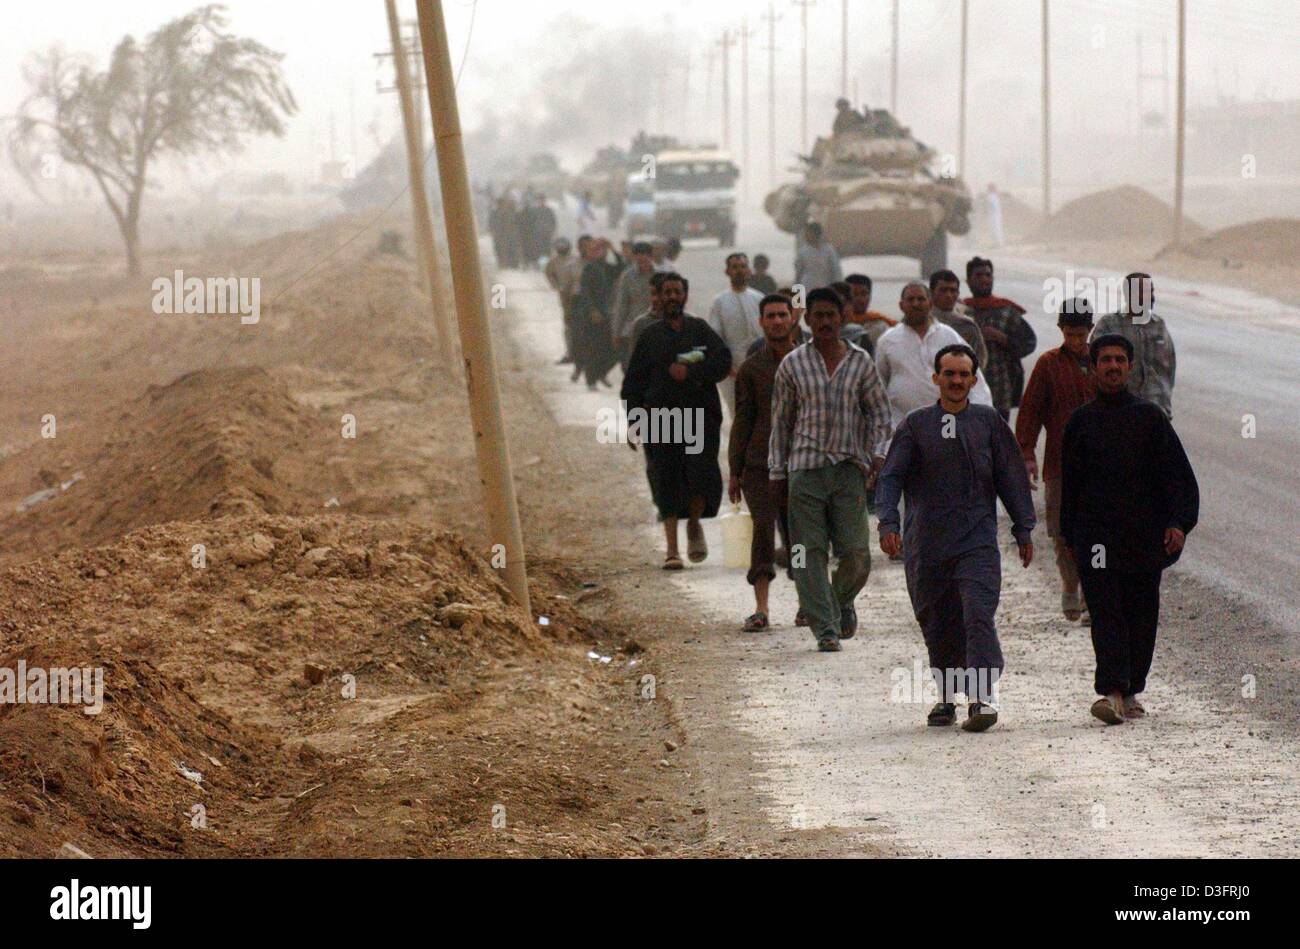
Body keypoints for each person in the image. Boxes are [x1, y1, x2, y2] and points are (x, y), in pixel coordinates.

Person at [876, 344, 1035, 733]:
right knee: (938, 618)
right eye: (950, 374)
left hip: (976, 541)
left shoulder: (988, 423)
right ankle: (947, 696)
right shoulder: (915, 425)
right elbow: (891, 476)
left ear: (974, 379)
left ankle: (980, 697)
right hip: (926, 543)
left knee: (978, 612)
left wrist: (1023, 527)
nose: (957, 381)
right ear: (936, 379)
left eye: (964, 374)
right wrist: (887, 523)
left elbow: (1011, 478)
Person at [1060, 334, 1198, 726]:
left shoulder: (1150, 419)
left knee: (1140, 613)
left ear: (1130, 366)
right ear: (1094, 366)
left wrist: (1178, 522)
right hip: (1096, 540)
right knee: (1105, 613)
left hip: (1143, 538)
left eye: (1120, 360)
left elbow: (1178, 478)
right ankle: (1112, 691)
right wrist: (1069, 536)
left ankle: (1132, 687)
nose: (1114, 366)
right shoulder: (1081, 423)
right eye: (1106, 360)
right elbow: (1070, 485)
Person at [769, 288, 892, 653]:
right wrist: (777, 474)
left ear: (843, 318)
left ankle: (838, 603)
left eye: (831, 315)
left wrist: (879, 455)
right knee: (808, 554)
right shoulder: (792, 364)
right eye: (817, 315)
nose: (824, 322)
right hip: (804, 471)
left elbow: (882, 416)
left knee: (857, 555)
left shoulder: (860, 363)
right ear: (807, 320)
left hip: (848, 471)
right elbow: (782, 424)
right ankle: (825, 628)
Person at [621, 273, 732, 570]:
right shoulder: (649, 336)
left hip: (700, 418)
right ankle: (672, 550)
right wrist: (633, 420)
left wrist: (693, 373)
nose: (672, 297)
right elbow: (633, 381)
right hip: (661, 419)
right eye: (666, 292)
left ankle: (694, 523)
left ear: (684, 295)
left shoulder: (700, 330)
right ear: (658, 296)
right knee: (665, 479)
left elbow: (723, 361)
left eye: (677, 291)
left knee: (701, 475)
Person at [1015, 299, 1098, 622]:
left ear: (1090, 330)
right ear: (1061, 330)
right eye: (1069, 334)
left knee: (1096, 533)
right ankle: (1069, 584)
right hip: (1059, 465)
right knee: (1062, 531)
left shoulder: (1102, 361)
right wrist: (1026, 455)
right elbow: (1031, 412)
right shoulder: (1048, 365)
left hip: (1100, 468)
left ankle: (1093, 597)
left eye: (1081, 334)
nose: (1076, 341)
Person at [729, 295, 799, 632]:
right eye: (770, 316)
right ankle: (761, 608)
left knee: (799, 534)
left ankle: (807, 603)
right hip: (759, 464)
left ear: (792, 319)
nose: (776, 321)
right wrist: (734, 470)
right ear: (761, 322)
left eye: (782, 315)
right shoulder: (751, 369)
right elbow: (743, 420)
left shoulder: (807, 363)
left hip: (801, 463)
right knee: (762, 529)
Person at [875, 283, 994, 435]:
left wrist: (979, 421)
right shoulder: (888, 340)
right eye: (910, 299)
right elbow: (878, 387)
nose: (916, 304)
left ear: (930, 303)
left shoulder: (949, 336)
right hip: (902, 426)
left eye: (921, 299)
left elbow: (975, 380)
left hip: (947, 425)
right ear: (901, 305)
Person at [1091, 273, 1176, 420]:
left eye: (1151, 291)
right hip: (1118, 414)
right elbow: (1093, 367)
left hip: (1156, 414)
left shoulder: (1159, 326)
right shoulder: (1109, 325)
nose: (1151, 297)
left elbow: (1169, 369)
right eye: (1145, 291)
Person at [963, 257, 1037, 420]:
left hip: (1000, 391)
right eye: (979, 275)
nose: (984, 279)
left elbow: (1029, 343)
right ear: (968, 281)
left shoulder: (1006, 311)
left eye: (988, 275)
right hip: (964, 389)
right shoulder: (961, 311)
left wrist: (1002, 338)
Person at [707, 253, 765, 415]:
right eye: (735, 267)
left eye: (743, 266)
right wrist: (728, 366)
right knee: (739, 417)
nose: (739, 270)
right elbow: (716, 338)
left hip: (759, 369)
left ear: (749, 270)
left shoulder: (759, 299)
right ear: (728, 272)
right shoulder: (719, 302)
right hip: (732, 372)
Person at [573, 238, 623, 391]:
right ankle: (591, 380)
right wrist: (592, 310)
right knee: (593, 348)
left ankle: (601, 373)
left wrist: (614, 249)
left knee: (614, 348)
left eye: (602, 250)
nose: (600, 252)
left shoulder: (606, 267)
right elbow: (585, 293)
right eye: (596, 250)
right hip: (592, 316)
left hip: (608, 314)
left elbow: (621, 267)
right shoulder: (589, 268)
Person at [929, 269, 988, 370]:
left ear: (958, 293)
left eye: (953, 290)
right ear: (931, 292)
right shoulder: (919, 321)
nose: (949, 295)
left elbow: (978, 364)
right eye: (943, 290)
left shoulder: (966, 326)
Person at [612, 242, 656, 371]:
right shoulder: (627, 277)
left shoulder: (661, 276)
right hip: (632, 329)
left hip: (655, 327)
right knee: (629, 366)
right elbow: (621, 306)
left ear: (651, 257)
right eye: (639, 259)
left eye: (645, 259)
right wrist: (616, 332)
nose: (642, 263)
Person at [544, 237, 584, 366]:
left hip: (580, 296)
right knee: (568, 325)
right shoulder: (553, 261)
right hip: (566, 296)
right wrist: (556, 286)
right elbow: (549, 274)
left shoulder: (576, 259)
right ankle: (570, 352)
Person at [844, 274, 897, 350]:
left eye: (863, 294)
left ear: (870, 296)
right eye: (854, 294)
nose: (859, 299)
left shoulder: (880, 326)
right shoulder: (838, 325)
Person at [794, 222, 843, 290]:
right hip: (807, 288)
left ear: (816, 234)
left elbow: (836, 270)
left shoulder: (829, 250)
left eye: (809, 233)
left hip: (826, 288)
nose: (806, 236)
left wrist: (838, 287)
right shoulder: (803, 252)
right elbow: (798, 273)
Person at [985, 183, 1005, 248]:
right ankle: (997, 243)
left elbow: (993, 206)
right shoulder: (994, 196)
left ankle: (998, 243)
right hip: (995, 215)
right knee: (996, 229)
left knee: (995, 229)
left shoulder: (991, 196)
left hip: (993, 215)